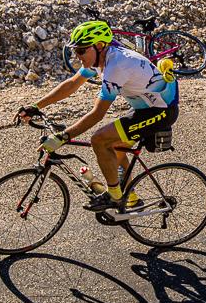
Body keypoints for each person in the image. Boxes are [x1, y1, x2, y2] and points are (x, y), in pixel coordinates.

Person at [19, 20, 178, 213]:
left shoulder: (117, 66)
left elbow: (97, 114)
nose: (77, 56)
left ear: (100, 45)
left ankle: (114, 197)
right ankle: (131, 199)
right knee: (115, 147)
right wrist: (36, 106)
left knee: (100, 140)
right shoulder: (100, 57)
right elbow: (72, 83)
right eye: (75, 51)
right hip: (145, 108)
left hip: (160, 111)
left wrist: (63, 137)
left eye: (81, 51)